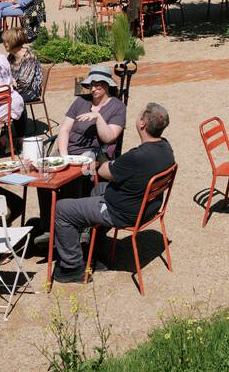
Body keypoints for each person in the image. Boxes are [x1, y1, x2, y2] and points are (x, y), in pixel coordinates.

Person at [51, 102, 175, 283]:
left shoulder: (136, 157)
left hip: (121, 212)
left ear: (142, 124)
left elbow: (104, 172)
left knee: (62, 209)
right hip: (147, 207)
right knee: (98, 189)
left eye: (140, 115)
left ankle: (72, 267)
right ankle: (95, 250)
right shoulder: (166, 147)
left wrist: (98, 160)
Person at [56, 65, 126, 162]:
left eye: (97, 85)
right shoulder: (81, 101)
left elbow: (109, 138)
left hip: (89, 155)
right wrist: (64, 156)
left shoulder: (118, 106)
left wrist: (98, 117)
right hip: (66, 152)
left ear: (107, 85)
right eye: (91, 85)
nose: (93, 89)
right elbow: (65, 129)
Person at [5, 26, 43, 111]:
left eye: (6, 41)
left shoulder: (29, 57)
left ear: (13, 42)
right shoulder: (11, 56)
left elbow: (24, 83)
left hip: (30, 91)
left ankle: (18, 124)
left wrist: (9, 86)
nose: (4, 44)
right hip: (15, 89)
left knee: (10, 101)